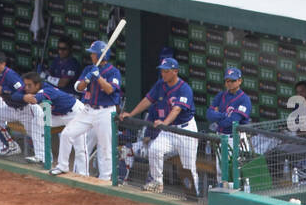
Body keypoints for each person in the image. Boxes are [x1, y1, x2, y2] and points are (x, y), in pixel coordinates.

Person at [124, 55, 200, 196]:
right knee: (154, 150)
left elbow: (176, 109)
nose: (163, 73)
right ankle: (157, 183)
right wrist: (132, 113)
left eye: (166, 71)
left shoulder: (184, 89)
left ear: (175, 71)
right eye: (162, 71)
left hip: (185, 130)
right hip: (168, 131)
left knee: (189, 167)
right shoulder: (160, 85)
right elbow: (147, 100)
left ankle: (194, 196)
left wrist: (164, 123)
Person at [55, 39, 123, 178]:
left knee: (105, 148)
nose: (91, 55)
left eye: (93, 53)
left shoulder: (113, 72)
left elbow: (110, 90)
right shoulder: (88, 69)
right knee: (67, 134)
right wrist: (86, 80)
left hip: (105, 111)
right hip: (88, 110)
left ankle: (105, 179)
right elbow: (78, 87)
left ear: (100, 55)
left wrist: (98, 77)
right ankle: (62, 166)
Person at [17, 70, 80, 166]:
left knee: (81, 147)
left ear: (37, 85)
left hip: (75, 113)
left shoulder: (47, 90)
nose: (26, 88)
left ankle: (83, 174)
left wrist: (22, 97)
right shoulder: (35, 89)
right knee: (37, 122)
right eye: (25, 85)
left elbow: (34, 99)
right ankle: (42, 156)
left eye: (29, 85)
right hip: (59, 115)